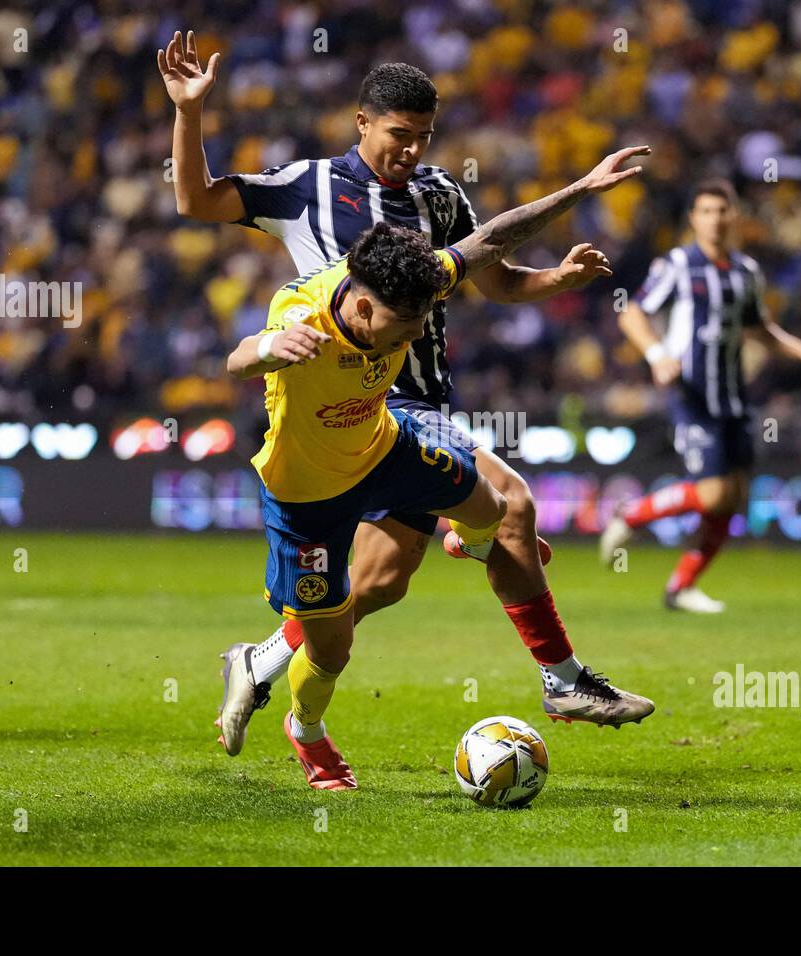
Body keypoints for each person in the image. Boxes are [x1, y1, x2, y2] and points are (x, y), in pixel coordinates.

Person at [159, 33, 654, 729]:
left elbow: (498, 279)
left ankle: (259, 662)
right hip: (359, 402)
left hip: (420, 397)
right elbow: (196, 201)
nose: (413, 149)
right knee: (510, 504)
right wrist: (188, 113)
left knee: (377, 584)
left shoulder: (441, 192)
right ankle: (564, 680)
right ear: (362, 123)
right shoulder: (308, 189)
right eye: (400, 134)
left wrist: (557, 279)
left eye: (424, 136)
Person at [221, 144, 651, 789]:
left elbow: (491, 240)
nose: (411, 335)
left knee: (487, 512)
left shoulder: (406, 286)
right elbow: (238, 359)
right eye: (402, 326)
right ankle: (306, 729)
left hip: (384, 447)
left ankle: (475, 549)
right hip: (305, 498)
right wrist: (267, 348)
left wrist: (582, 189)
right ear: (361, 308)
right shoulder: (303, 315)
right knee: (334, 644)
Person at [600, 179, 801, 612]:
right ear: (693, 218)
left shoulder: (746, 271)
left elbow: (760, 329)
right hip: (691, 393)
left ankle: (681, 587)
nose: (715, 219)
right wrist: (656, 354)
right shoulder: (676, 264)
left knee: (735, 496)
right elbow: (632, 312)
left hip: (733, 396)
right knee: (711, 493)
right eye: (706, 211)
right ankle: (631, 515)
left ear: (735, 217)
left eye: (722, 211)